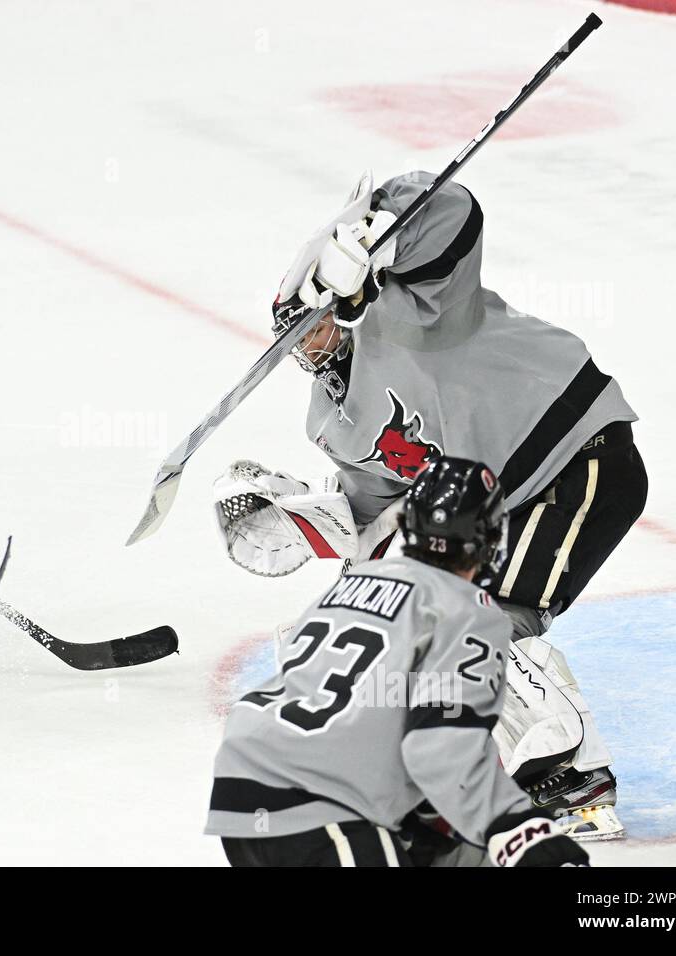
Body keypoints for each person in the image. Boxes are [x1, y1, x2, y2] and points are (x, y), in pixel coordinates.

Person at [212, 172, 646, 840]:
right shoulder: (332, 421)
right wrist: (295, 521)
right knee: (424, 617)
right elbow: (387, 522)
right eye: (298, 338)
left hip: (579, 459)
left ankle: (570, 777)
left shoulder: (413, 310)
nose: (310, 345)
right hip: (501, 503)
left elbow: (452, 213)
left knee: (482, 619)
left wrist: (378, 228)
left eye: (316, 324)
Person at [207, 457, 588, 868]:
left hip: (242, 788)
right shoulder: (467, 612)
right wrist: (516, 826)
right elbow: (440, 744)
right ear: (491, 539)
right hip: (321, 804)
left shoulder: (348, 588)